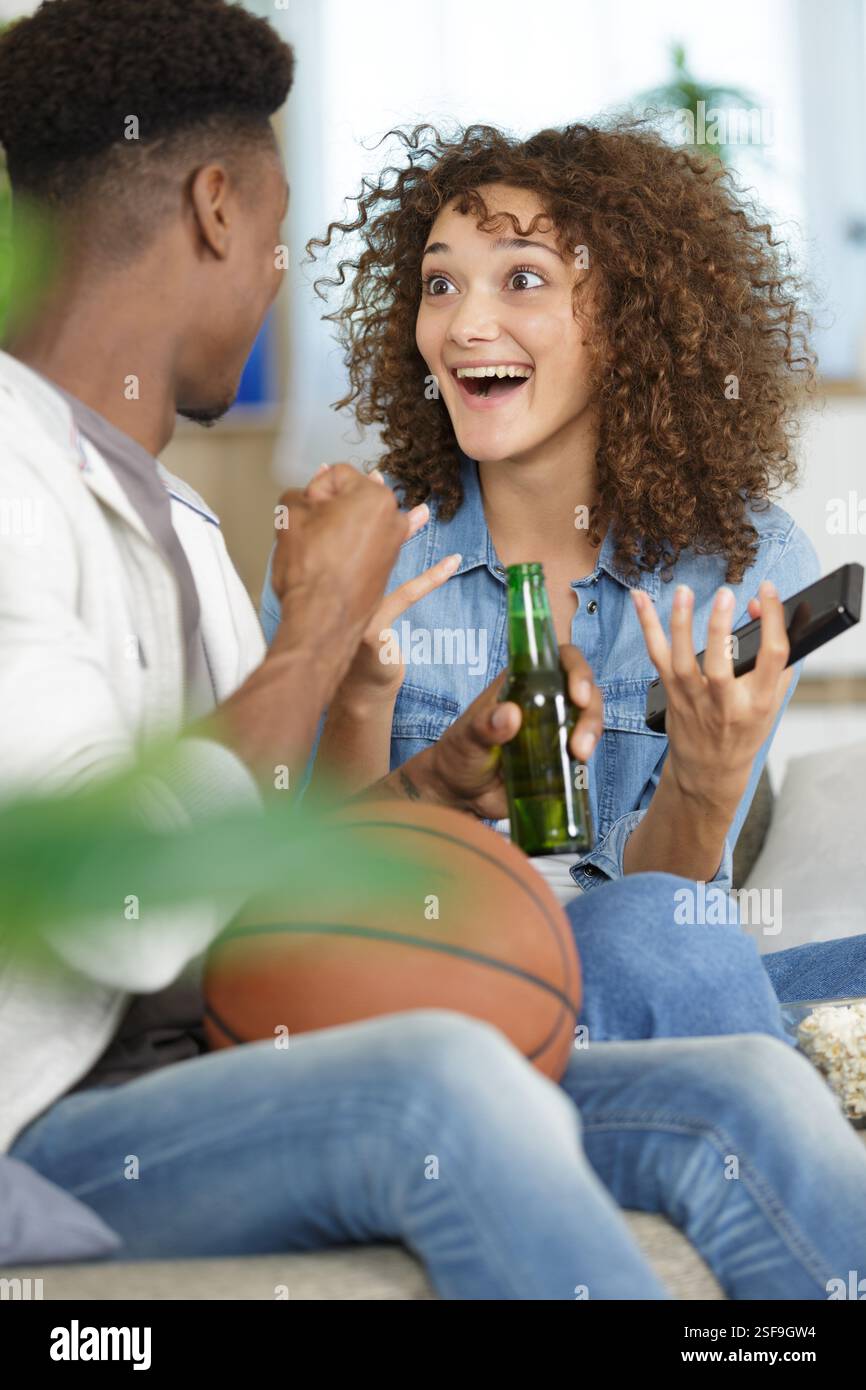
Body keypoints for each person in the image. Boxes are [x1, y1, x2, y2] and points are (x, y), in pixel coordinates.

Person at [2, 0, 865, 1301]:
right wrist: (323, 648)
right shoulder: (37, 496)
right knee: (579, 991)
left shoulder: (174, 523)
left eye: (522, 278)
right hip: (94, 1097)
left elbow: (263, 887)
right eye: (286, 237)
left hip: (288, 1015)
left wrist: (441, 781)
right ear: (218, 211)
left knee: (738, 1064)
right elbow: (130, 919)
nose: (460, 321)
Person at [260, 120, 866, 1025]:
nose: (465, 323)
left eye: (523, 278)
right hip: (423, 986)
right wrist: (356, 693)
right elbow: (295, 906)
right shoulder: (356, 539)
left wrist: (706, 781)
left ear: (627, 319)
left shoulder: (749, 563)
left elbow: (660, 923)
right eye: (439, 284)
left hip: (624, 977)